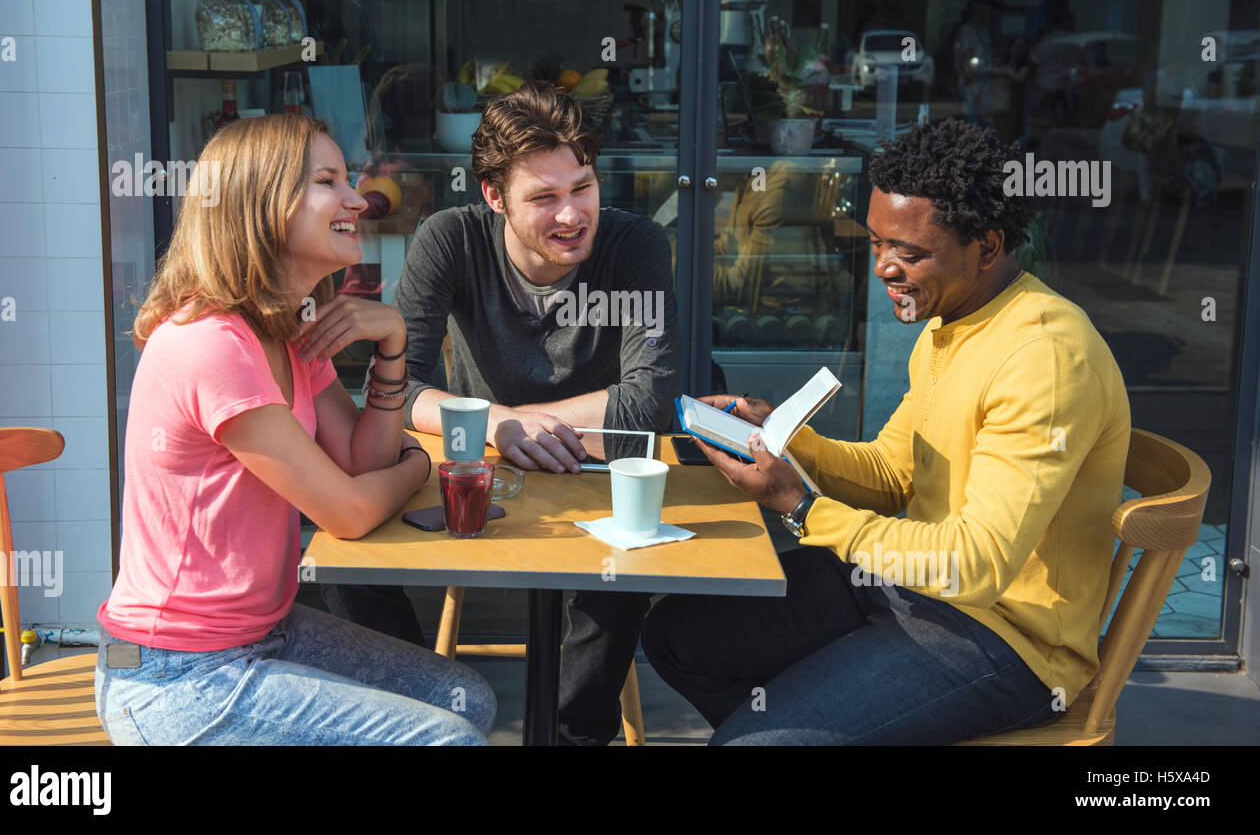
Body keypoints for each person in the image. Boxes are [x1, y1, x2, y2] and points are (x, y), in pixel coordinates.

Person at [642, 118, 1131, 745]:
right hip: (907, 589)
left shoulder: (1046, 359)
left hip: (1006, 641)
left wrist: (801, 506)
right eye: (875, 243)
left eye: (910, 253)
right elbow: (895, 475)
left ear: (987, 245)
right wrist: (784, 435)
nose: (884, 268)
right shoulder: (952, 319)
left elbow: (975, 567)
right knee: (677, 637)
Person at [95, 114, 496, 745]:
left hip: (262, 635)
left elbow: (363, 463)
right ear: (264, 205)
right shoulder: (211, 345)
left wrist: (393, 341)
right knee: (446, 738)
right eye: (328, 181)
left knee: (463, 698)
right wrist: (421, 463)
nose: (358, 198)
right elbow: (352, 510)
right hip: (175, 678)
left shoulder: (283, 331)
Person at [323, 81, 681, 746]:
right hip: (479, 472)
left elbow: (650, 400)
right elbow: (399, 384)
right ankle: (423, 716)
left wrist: (518, 417)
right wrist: (497, 424)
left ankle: (575, 737)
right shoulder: (451, 239)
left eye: (582, 187)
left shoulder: (634, 246)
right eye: (544, 197)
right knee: (353, 552)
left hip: (592, 472)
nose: (571, 213)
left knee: (618, 579)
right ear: (494, 197)